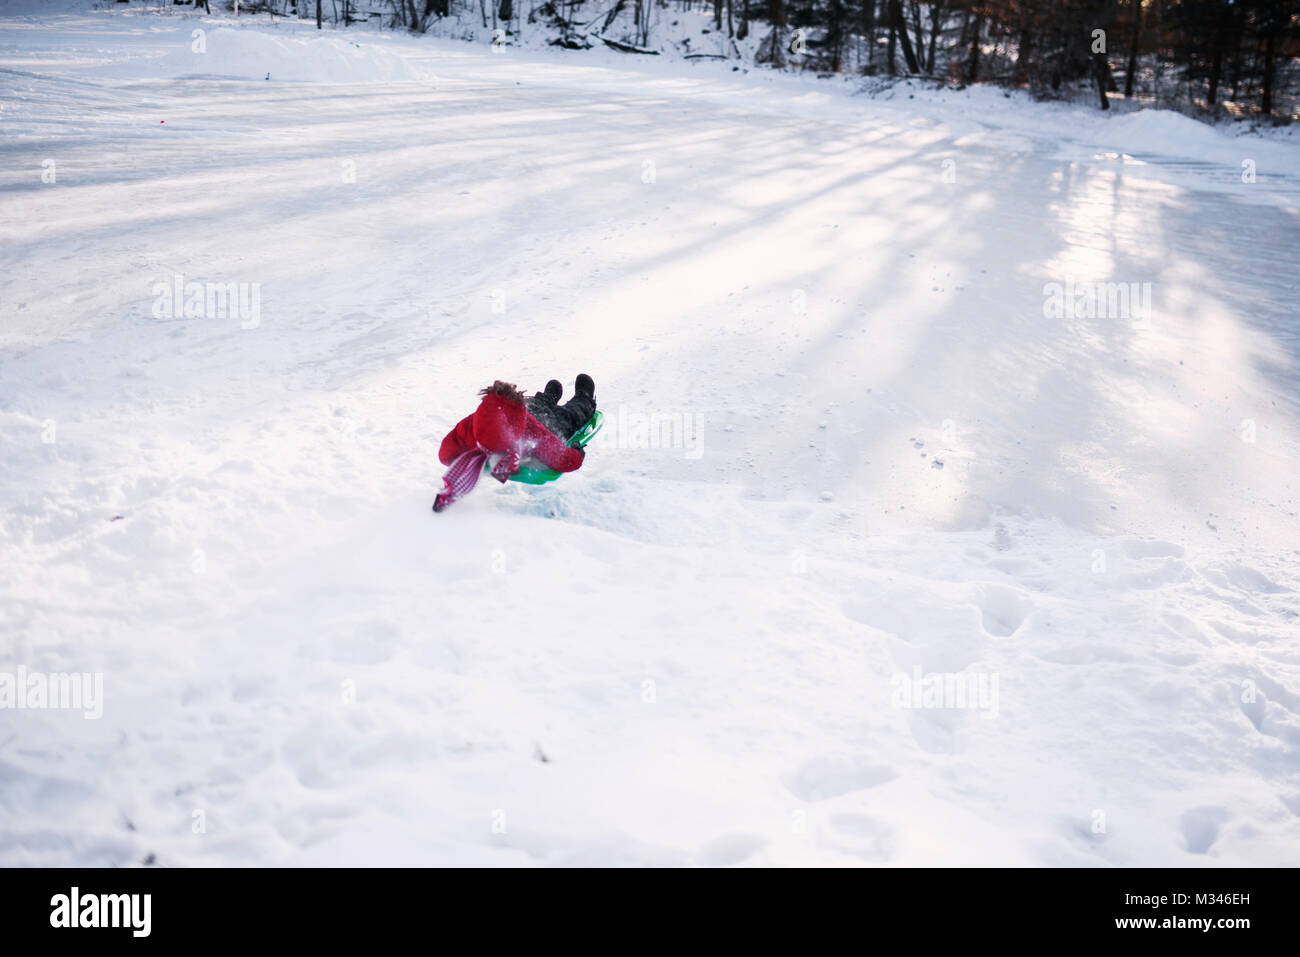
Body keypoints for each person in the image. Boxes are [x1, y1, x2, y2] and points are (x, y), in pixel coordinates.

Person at [433, 376, 596, 512]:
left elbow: (445, 455)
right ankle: (583, 397)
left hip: (536, 416)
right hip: (543, 421)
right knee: (569, 415)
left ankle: (548, 397)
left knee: (538, 406)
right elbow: (559, 457)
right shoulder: (529, 429)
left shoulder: (471, 423)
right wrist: (577, 454)